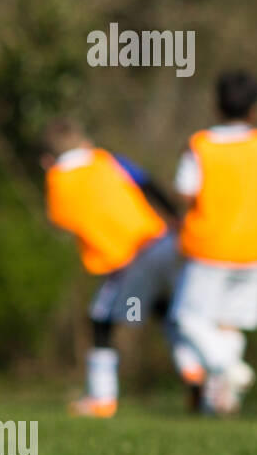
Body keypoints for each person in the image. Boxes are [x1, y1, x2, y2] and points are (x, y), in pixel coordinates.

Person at [170, 70, 257, 414]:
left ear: (215, 106)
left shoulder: (200, 144)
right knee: (231, 322)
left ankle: (229, 370)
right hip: (254, 249)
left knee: (187, 319)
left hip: (207, 247)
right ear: (255, 110)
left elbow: (184, 190)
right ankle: (222, 401)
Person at [40, 118, 180, 417]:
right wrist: (176, 216)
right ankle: (200, 382)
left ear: (48, 158)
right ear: (84, 142)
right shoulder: (107, 159)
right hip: (159, 239)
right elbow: (147, 183)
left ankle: (102, 400)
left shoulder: (57, 180)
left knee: (101, 319)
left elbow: (59, 221)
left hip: (125, 257)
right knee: (164, 308)